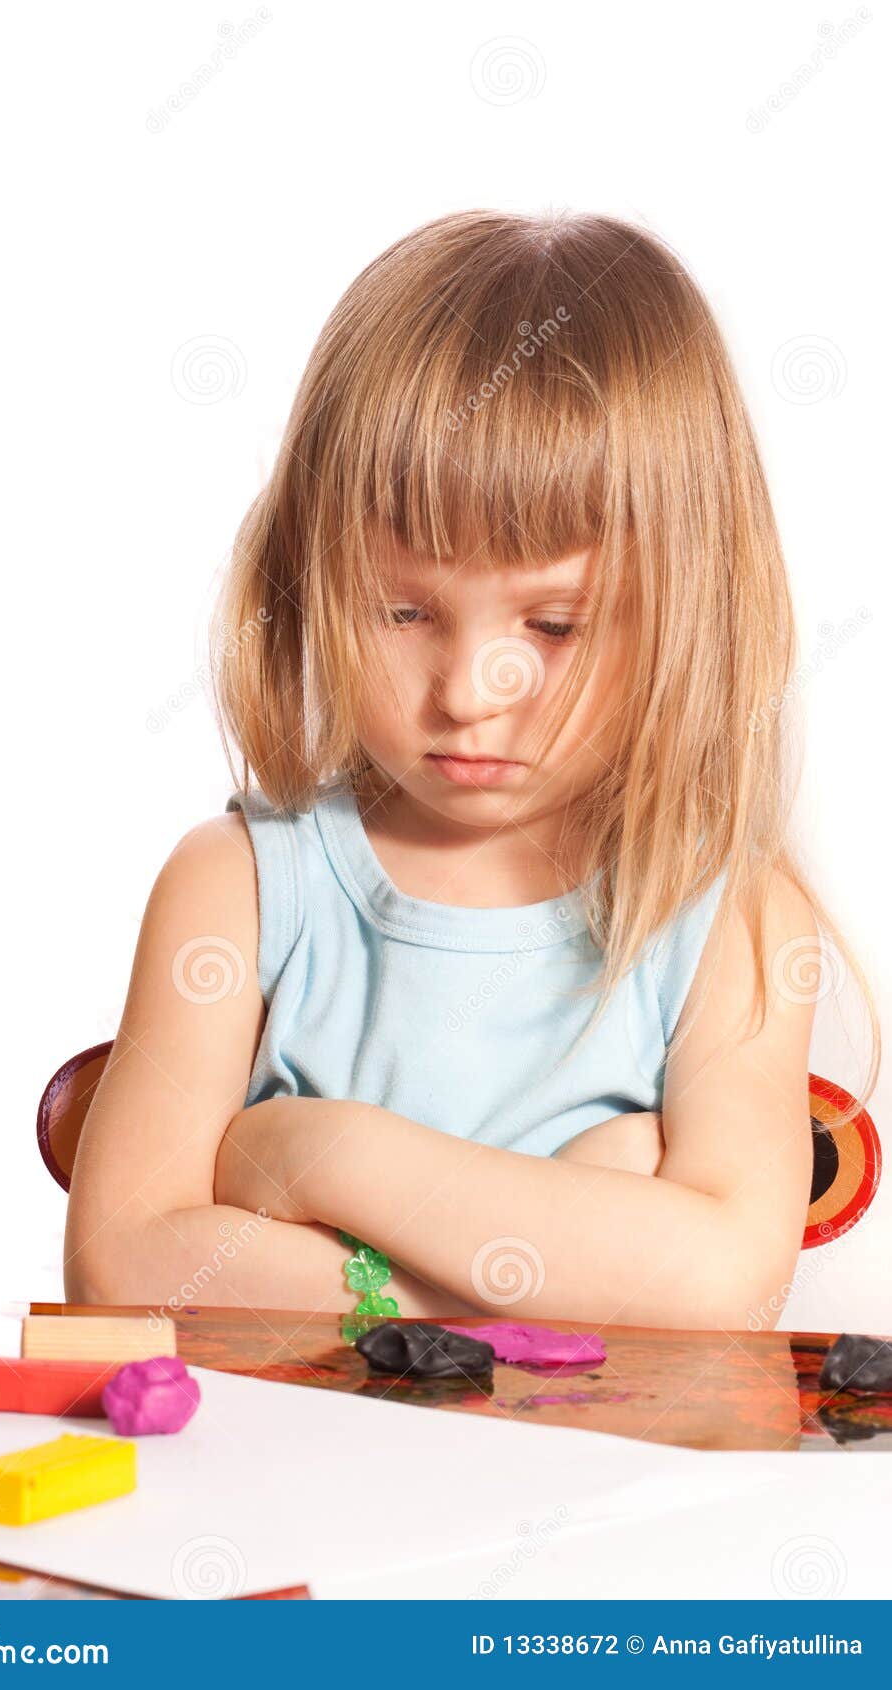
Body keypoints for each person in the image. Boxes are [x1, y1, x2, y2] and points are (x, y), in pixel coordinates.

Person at [64, 210, 879, 1330]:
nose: (467, 690)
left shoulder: (724, 916)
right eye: (402, 611)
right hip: (288, 1454)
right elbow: (123, 1271)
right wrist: (568, 1257)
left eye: (551, 625)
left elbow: (721, 1288)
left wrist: (315, 1154)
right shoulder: (239, 888)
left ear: (688, 605)